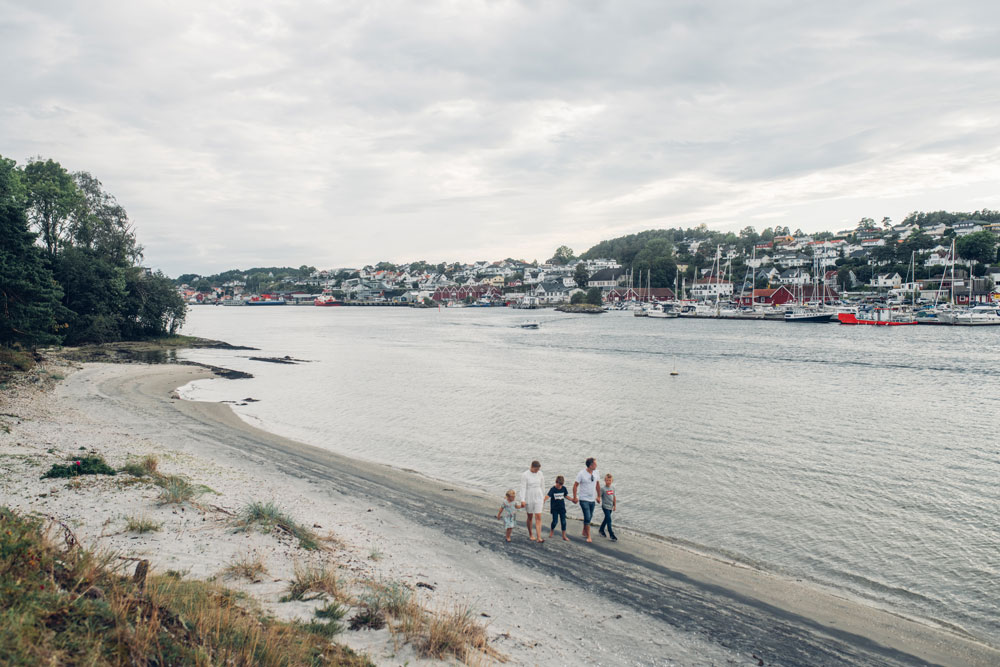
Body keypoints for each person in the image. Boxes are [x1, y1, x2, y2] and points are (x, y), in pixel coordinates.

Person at [572, 457, 601, 543]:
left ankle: (584, 531)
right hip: (583, 499)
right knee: (587, 517)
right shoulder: (581, 473)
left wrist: (599, 496)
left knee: (589, 516)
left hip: (592, 499)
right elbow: (575, 485)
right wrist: (575, 497)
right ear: (591, 465)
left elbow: (597, 485)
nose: (596, 465)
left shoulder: (596, 472)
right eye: (595, 464)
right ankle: (588, 536)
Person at [520, 460, 545, 542]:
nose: (537, 471)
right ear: (532, 467)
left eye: (538, 469)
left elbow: (542, 486)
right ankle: (531, 534)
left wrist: (543, 497)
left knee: (538, 516)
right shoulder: (525, 475)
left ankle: (539, 537)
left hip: (538, 496)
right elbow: (523, 487)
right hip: (529, 496)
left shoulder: (540, 474)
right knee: (530, 516)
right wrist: (522, 499)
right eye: (536, 469)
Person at [545, 475, 575, 541]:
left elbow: (566, 495)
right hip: (554, 508)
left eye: (562, 484)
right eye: (559, 484)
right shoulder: (553, 489)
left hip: (562, 508)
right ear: (556, 482)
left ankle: (564, 536)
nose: (560, 486)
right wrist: (543, 500)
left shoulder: (564, 488)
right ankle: (552, 530)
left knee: (563, 522)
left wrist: (572, 499)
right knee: (555, 521)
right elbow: (548, 496)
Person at [598, 473, 617, 541]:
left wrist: (614, 506)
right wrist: (598, 499)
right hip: (605, 507)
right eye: (607, 480)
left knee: (606, 519)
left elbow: (614, 497)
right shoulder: (603, 489)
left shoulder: (613, 488)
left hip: (610, 507)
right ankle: (611, 534)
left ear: (612, 481)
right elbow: (599, 496)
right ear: (605, 480)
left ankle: (601, 530)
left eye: (610, 480)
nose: (608, 482)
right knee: (609, 520)